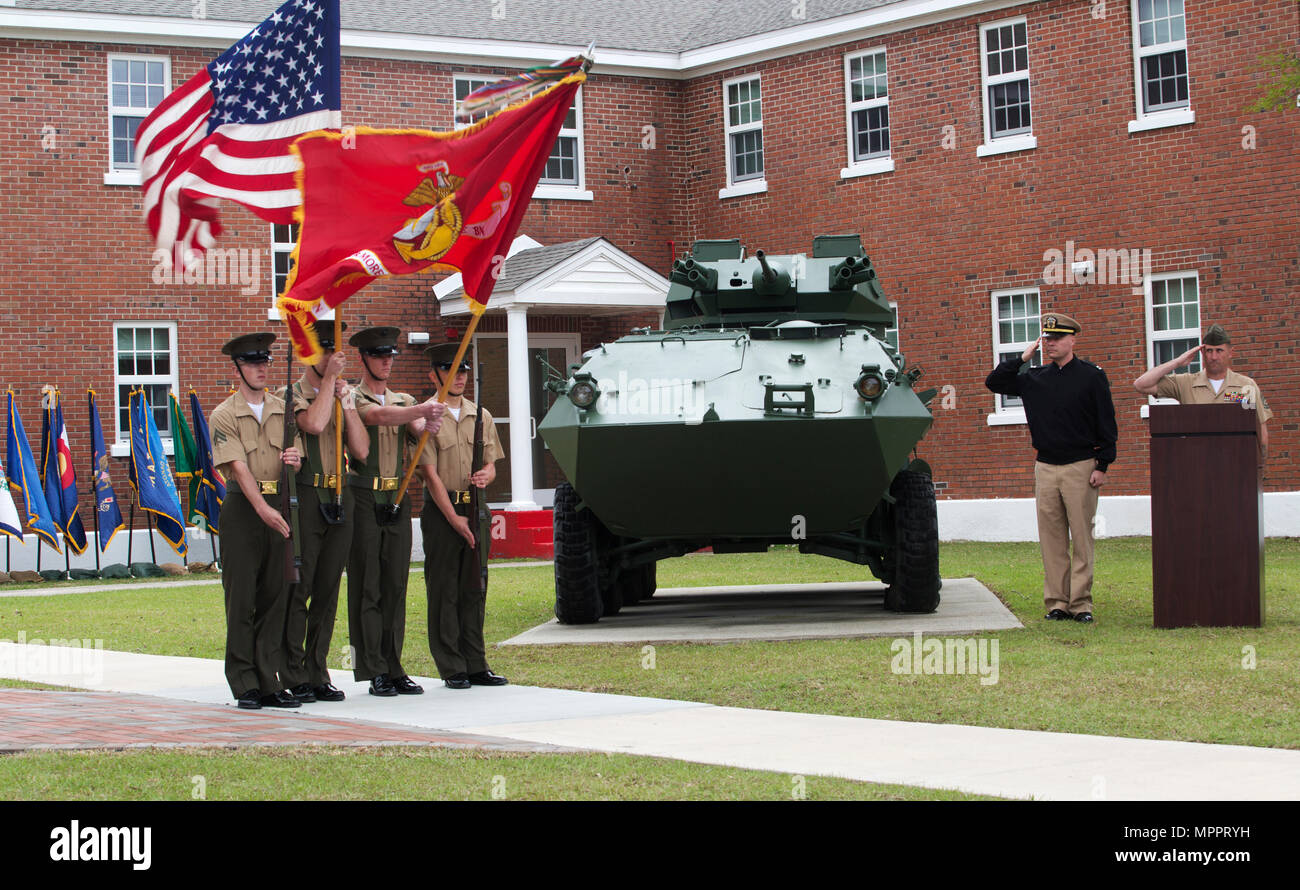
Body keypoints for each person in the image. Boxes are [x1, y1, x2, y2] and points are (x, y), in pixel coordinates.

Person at [985, 313, 1117, 624]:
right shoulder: (1035, 378)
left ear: (1073, 340)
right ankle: (1058, 602)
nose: (1051, 343)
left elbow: (1106, 422)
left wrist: (1103, 464)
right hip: (1045, 466)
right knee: (1052, 539)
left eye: (1057, 338)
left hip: (1081, 466)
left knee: (1083, 538)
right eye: (1047, 338)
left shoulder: (1091, 376)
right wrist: (1020, 358)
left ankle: (1081, 604)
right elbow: (994, 382)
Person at [346, 326, 444, 697]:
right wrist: (420, 410)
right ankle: (372, 668)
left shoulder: (402, 399)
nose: (385, 362)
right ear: (364, 359)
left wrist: (427, 423)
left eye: (390, 356)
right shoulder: (353, 398)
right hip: (363, 497)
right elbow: (379, 418)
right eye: (378, 356)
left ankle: (394, 664)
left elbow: (418, 429)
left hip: (397, 497)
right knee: (368, 584)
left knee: (395, 585)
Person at [209, 332, 303, 709]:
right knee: (242, 597)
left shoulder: (284, 410)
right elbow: (237, 467)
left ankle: (268, 680)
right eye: (252, 363)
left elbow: (298, 456)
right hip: (245, 511)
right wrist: (264, 510)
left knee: (274, 596)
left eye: (265, 362)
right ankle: (244, 680)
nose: (261, 368)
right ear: (238, 369)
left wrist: (296, 459)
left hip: (279, 503)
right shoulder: (224, 414)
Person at [281, 321, 370, 704]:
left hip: (340, 494)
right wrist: (330, 383)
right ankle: (294, 671)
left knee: (328, 589)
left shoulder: (342, 393)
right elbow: (314, 424)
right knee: (301, 587)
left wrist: (347, 403)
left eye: (335, 351)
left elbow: (362, 452)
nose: (333, 357)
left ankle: (318, 670)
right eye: (324, 351)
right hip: (307, 494)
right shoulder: (292, 394)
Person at [418, 343, 506, 689]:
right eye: (451, 371)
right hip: (444, 511)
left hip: (475, 507)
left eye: (464, 371)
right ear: (434, 375)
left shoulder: (479, 414)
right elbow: (428, 472)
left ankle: (475, 662)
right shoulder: (428, 417)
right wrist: (453, 518)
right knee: (444, 589)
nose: (460, 378)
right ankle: (451, 665)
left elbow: (491, 463)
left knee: (474, 585)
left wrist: (487, 475)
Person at [1133, 324, 1272, 465]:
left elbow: (1261, 428)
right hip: (1197, 467)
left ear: (1230, 352)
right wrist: (1178, 362)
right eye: (1209, 351)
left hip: (1236, 466)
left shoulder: (1246, 386)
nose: (1213, 357)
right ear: (1202, 353)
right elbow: (1141, 385)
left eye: (1219, 350)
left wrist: (1260, 467)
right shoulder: (1186, 383)